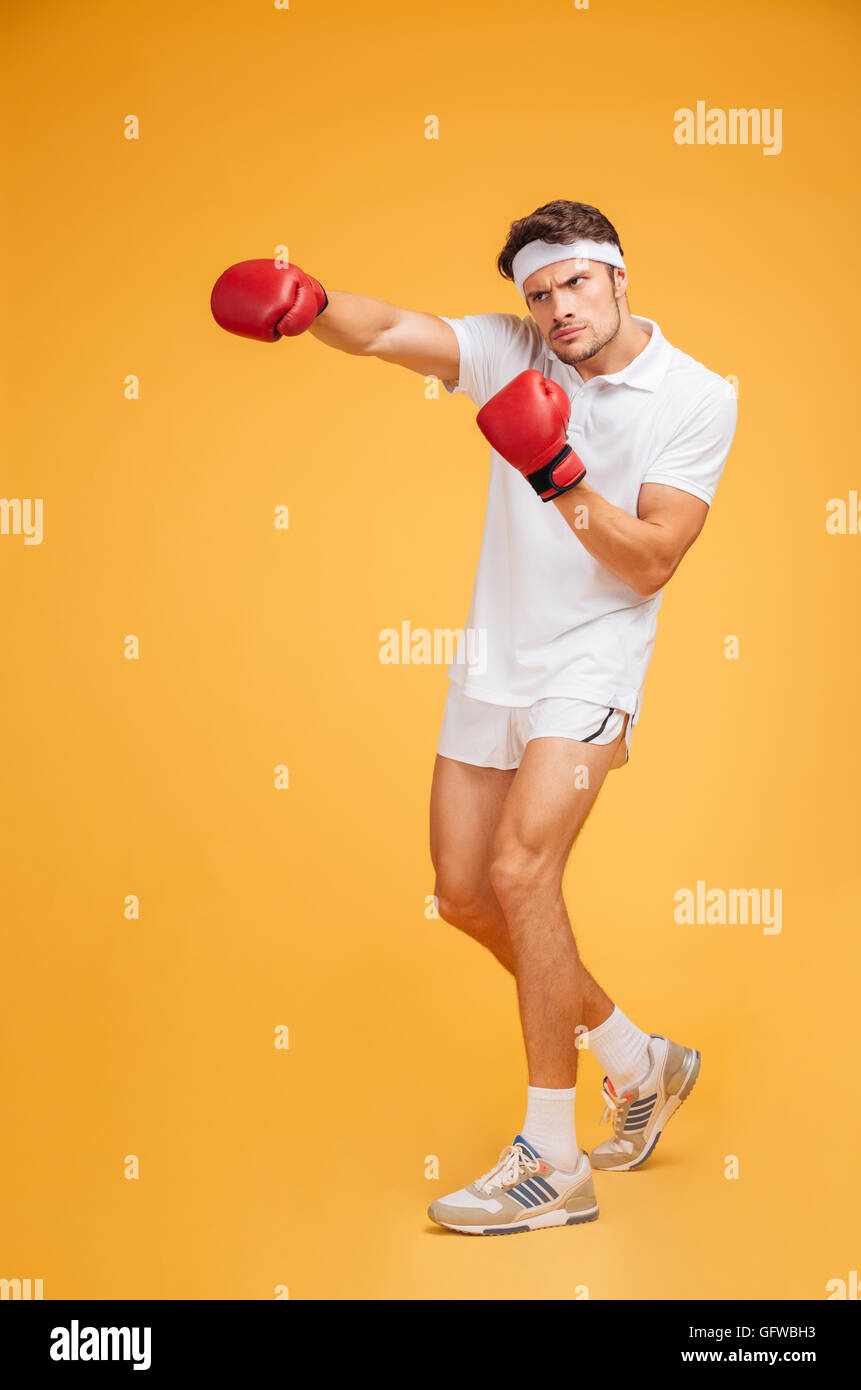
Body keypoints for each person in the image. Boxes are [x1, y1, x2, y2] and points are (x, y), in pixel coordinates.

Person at [210, 198, 738, 1236]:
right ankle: (636, 1060)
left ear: (619, 275)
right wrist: (309, 303)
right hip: (493, 657)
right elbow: (384, 330)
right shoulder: (510, 348)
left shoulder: (695, 395)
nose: (556, 309)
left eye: (573, 284)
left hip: (591, 664)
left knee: (520, 871)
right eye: (536, 293)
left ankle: (550, 1157)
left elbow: (651, 561)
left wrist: (556, 473)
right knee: (462, 895)